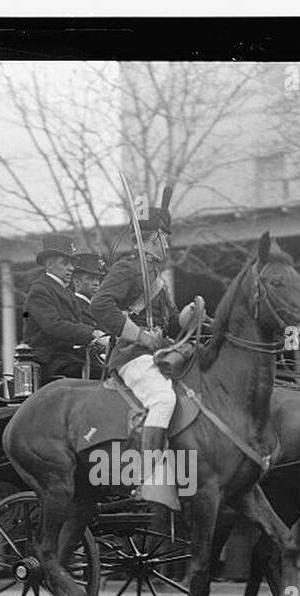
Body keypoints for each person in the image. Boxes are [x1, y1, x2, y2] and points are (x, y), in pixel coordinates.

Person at [90, 208, 201, 504]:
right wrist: (138, 335)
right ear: (154, 239)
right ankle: (147, 478)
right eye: (166, 238)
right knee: (163, 400)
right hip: (131, 355)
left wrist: (193, 313)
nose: (168, 245)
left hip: (158, 353)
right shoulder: (127, 268)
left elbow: (174, 321)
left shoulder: (155, 276)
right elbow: (100, 305)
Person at [24, 234, 110, 380]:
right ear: (49, 264)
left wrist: (100, 341)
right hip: (49, 360)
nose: (71, 268)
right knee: (102, 375)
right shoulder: (40, 290)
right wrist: (93, 335)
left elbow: (76, 325)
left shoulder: (66, 291)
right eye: (65, 263)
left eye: (72, 263)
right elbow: (53, 326)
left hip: (68, 357)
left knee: (110, 370)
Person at [70, 251, 109, 378]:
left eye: (98, 278)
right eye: (90, 278)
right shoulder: (73, 306)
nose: (96, 283)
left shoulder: (98, 309)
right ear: (76, 282)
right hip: (85, 365)